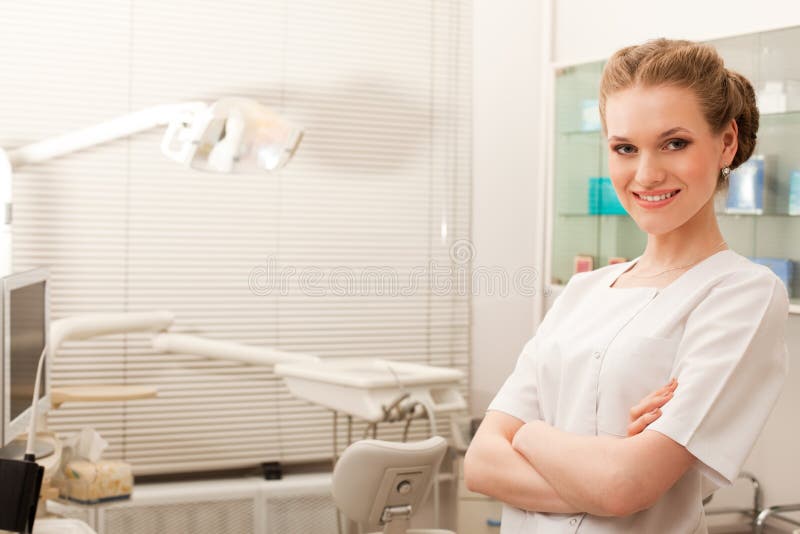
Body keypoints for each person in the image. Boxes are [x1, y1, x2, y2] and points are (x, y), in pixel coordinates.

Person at [463, 38, 789, 533]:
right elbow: (481, 464)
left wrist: (528, 434)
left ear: (726, 142)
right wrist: (601, 466)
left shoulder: (742, 293)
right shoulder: (583, 289)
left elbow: (624, 487)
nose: (646, 174)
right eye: (625, 148)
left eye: (674, 143)